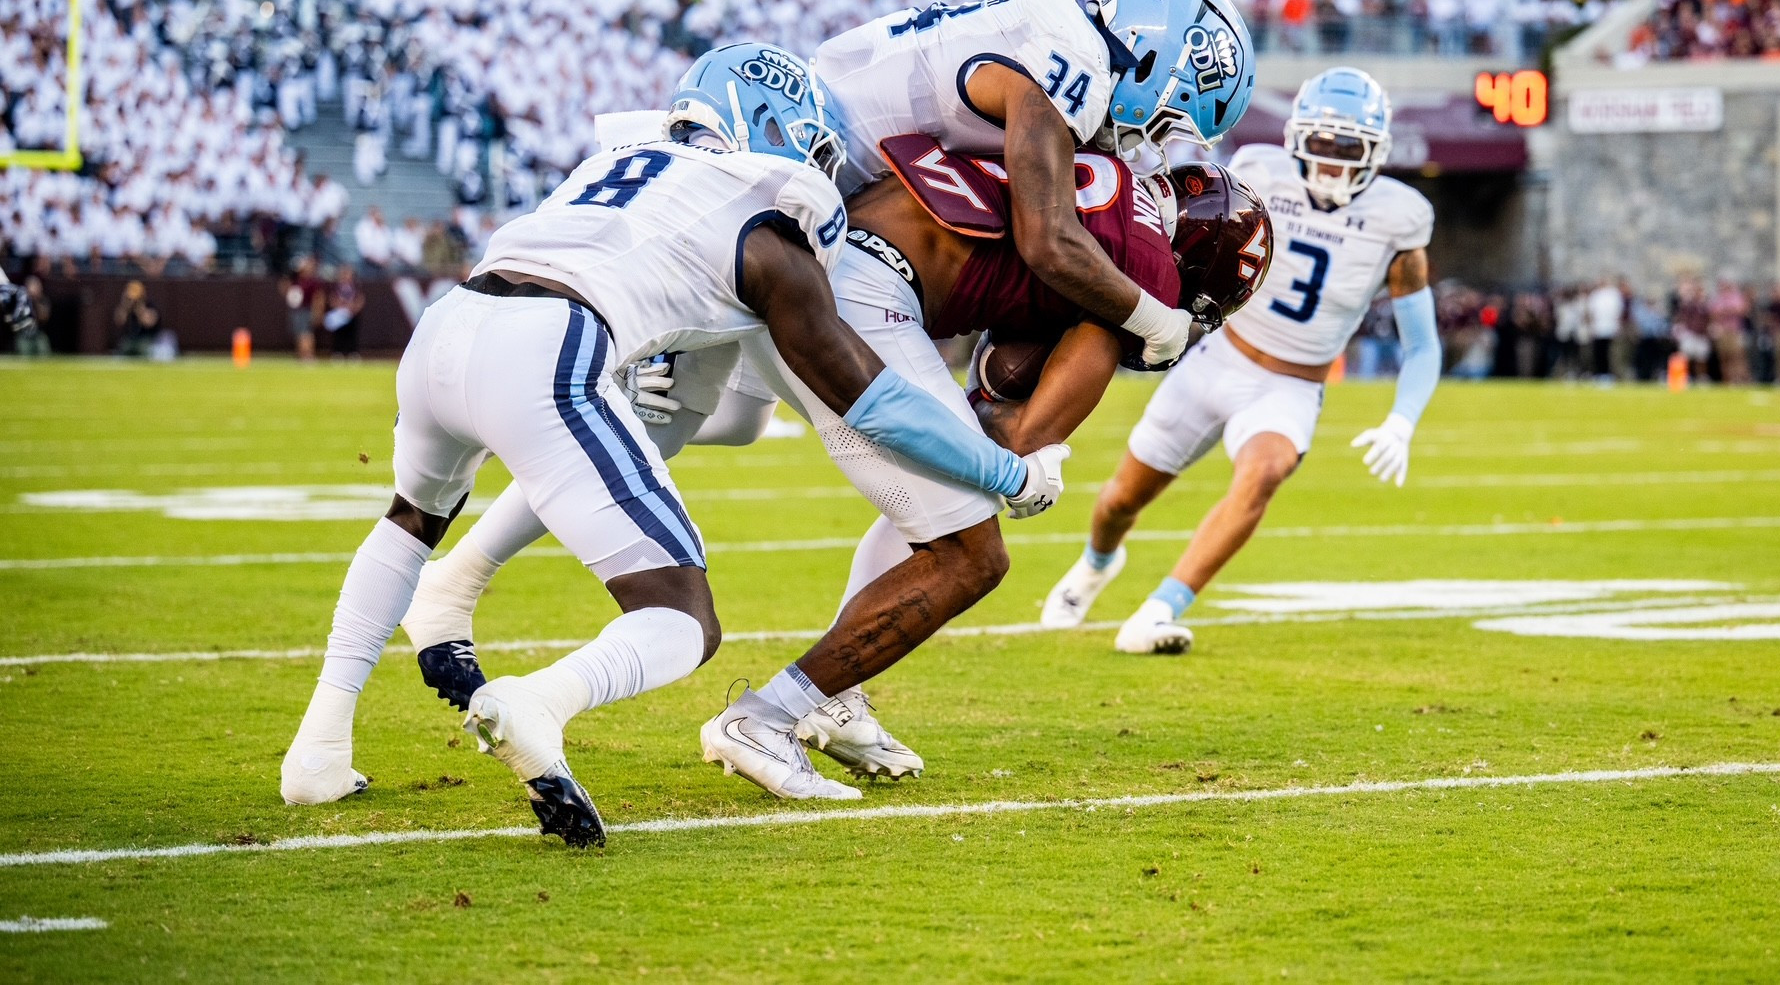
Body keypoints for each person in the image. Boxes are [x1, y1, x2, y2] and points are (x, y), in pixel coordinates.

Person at [278, 44, 1065, 844]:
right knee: (682, 620)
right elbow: (874, 402)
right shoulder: (770, 222)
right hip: (549, 348)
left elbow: (718, 394)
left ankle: (319, 749)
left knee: (408, 522)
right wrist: (1005, 471)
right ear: (777, 128)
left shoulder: (615, 161)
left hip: (448, 327)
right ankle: (540, 701)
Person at [403, 141, 1271, 793]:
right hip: (859, 298)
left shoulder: (1096, 167)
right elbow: (1013, 445)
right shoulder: (1145, 267)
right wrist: (1032, 455)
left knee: (720, 436)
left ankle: (830, 695)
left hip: (807, 255)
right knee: (971, 550)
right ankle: (767, 716)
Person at [1043, 67, 1442, 653]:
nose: (1332, 162)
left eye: (1348, 149)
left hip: (1292, 387)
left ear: (1375, 153)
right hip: (1220, 358)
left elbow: (1423, 343)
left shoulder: (1399, 216)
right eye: (1322, 144)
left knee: (1264, 473)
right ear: (1297, 138)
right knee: (1121, 500)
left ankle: (1158, 611)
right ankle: (1097, 564)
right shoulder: (1258, 170)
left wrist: (1402, 421)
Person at [812, 0, 1254, 374]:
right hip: (817, 153)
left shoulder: (1071, 12)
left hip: (829, 130)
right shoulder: (1081, 67)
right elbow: (1048, 242)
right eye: (1165, 124)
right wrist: (1159, 323)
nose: (1151, 143)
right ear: (1154, 68)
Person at [281, 255, 323, 361]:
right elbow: (284, 288)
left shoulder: (313, 281)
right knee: (299, 334)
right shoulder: (296, 280)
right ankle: (301, 355)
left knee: (306, 333)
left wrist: (317, 312)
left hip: (307, 309)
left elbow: (318, 297)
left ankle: (308, 355)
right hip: (297, 310)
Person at [324, 265, 365, 360]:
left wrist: (354, 309)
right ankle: (337, 352)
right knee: (339, 334)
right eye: (344, 274)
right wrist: (339, 306)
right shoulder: (336, 287)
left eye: (348, 274)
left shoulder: (356, 286)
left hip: (352, 314)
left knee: (352, 334)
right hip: (339, 314)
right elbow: (332, 299)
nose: (346, 276)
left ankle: (352, 352)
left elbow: (360, 299)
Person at [113, 280, 162, 357]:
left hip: (148, 339)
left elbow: (149, 323)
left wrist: (139, 309)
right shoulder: (128, 307)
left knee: (143, 349)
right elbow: (119, 321)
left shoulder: (150, 305)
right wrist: (125, 306)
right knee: (125, 347)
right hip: (132, 339)